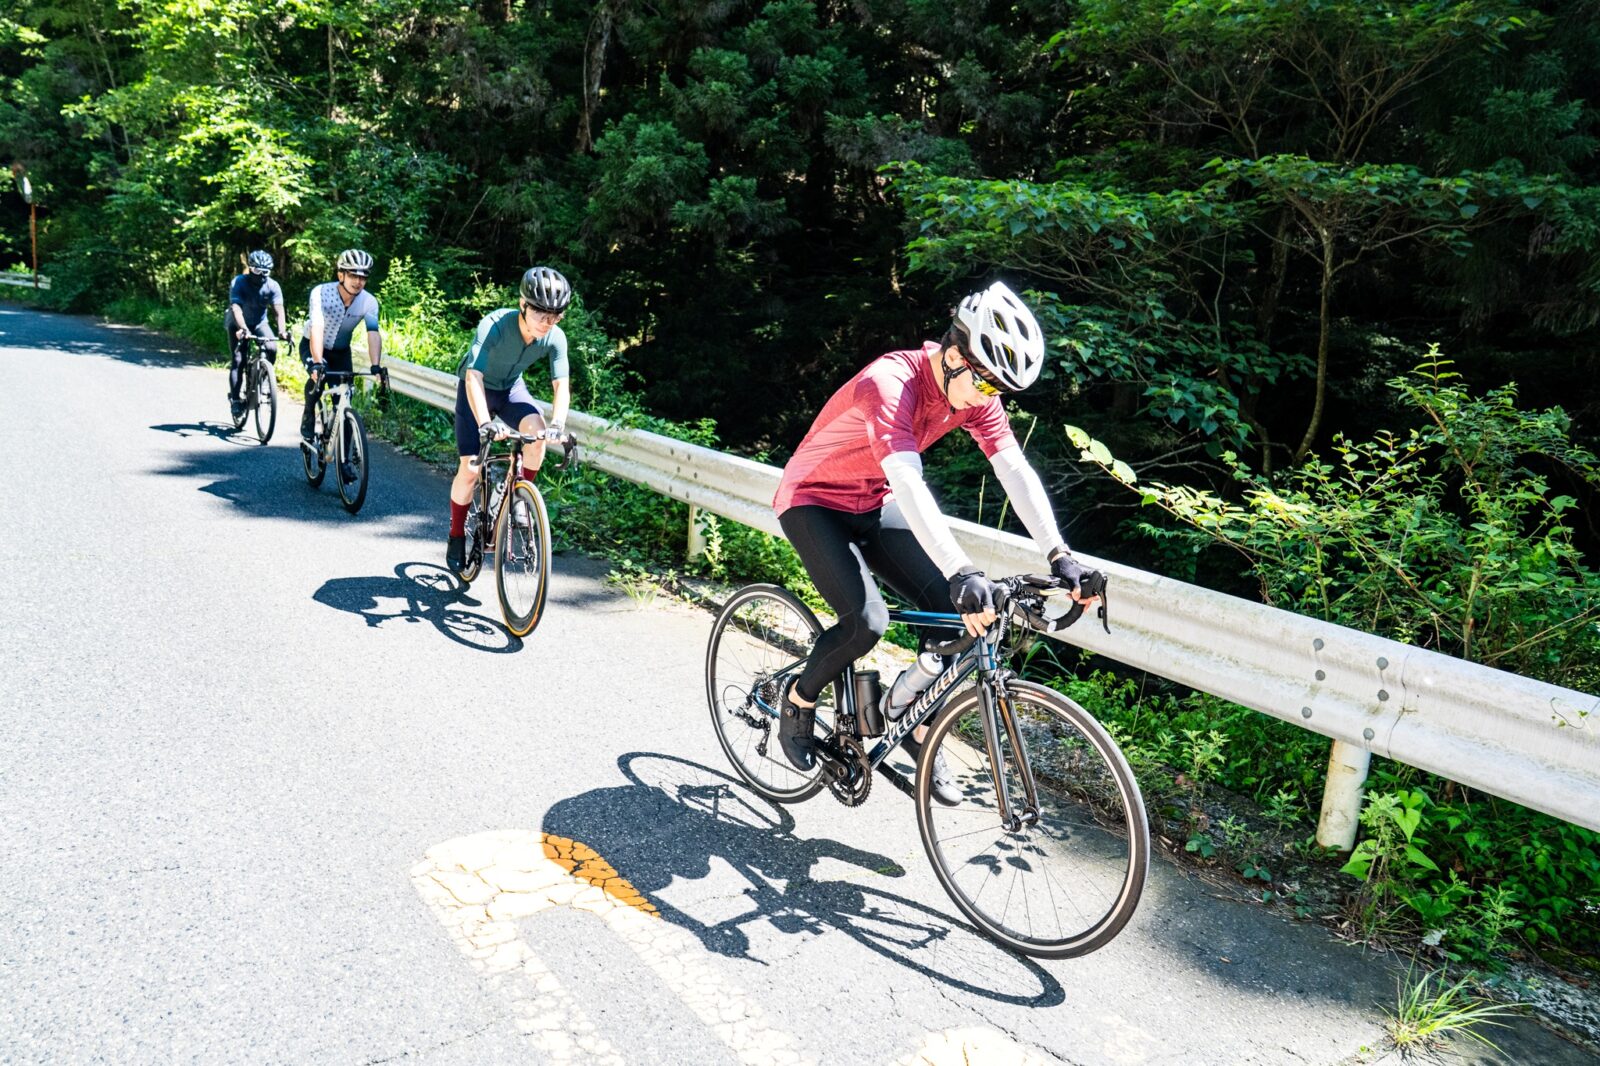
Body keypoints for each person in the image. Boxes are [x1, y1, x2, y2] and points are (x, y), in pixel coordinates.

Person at [771, 281, 1102, 804]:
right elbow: (908, 481)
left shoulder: (974, 394)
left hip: (872, 501)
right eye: (986, 384)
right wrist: (960, 569)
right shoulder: (891, 382)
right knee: (868, 622)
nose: (987, 398)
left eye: (998, 391)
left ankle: (910, 717)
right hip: (814, 500)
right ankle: (797, 699)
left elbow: (1013, 468)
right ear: (953, 355)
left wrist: (1060, 554)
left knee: (950, 617)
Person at [445, 266, 574, 573]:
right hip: (476, 388)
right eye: (541, 313)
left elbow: (561, 385)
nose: (548, 322)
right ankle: (455, 534)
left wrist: (558, 424)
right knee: (470, 468)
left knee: (538, 435)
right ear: (523, 304)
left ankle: (519, 497)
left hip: (510, 389)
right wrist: (484, 423)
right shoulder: (495, 325)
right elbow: (473, 375)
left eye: (556, 315)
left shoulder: (555, 337)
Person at [300, 248, 385, 443]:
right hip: (313, 344)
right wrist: (317, 362)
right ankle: (308, 413)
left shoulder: (369, 302)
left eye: (363, 277)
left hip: (340, 352)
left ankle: (345, 462)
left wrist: (375, 366)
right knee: (318, 379)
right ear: (341, 275)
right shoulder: (321, 293)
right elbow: (317, 327)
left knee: (345, 404)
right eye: (353, 275)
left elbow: (373, 332)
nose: (358, 281)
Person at [225, 250, 287, 419]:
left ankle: (263, 378)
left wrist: (282, 331)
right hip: (237, 322)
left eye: (265, 271)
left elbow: (278, 311)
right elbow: (236, 307)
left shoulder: (273, 286)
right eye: (257, 271)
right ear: (250, 269)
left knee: (271, 347)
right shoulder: (239, 282)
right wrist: (243, 328)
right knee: (239, 359)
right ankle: (236, 400)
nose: (261, 275)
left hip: (260, 322)